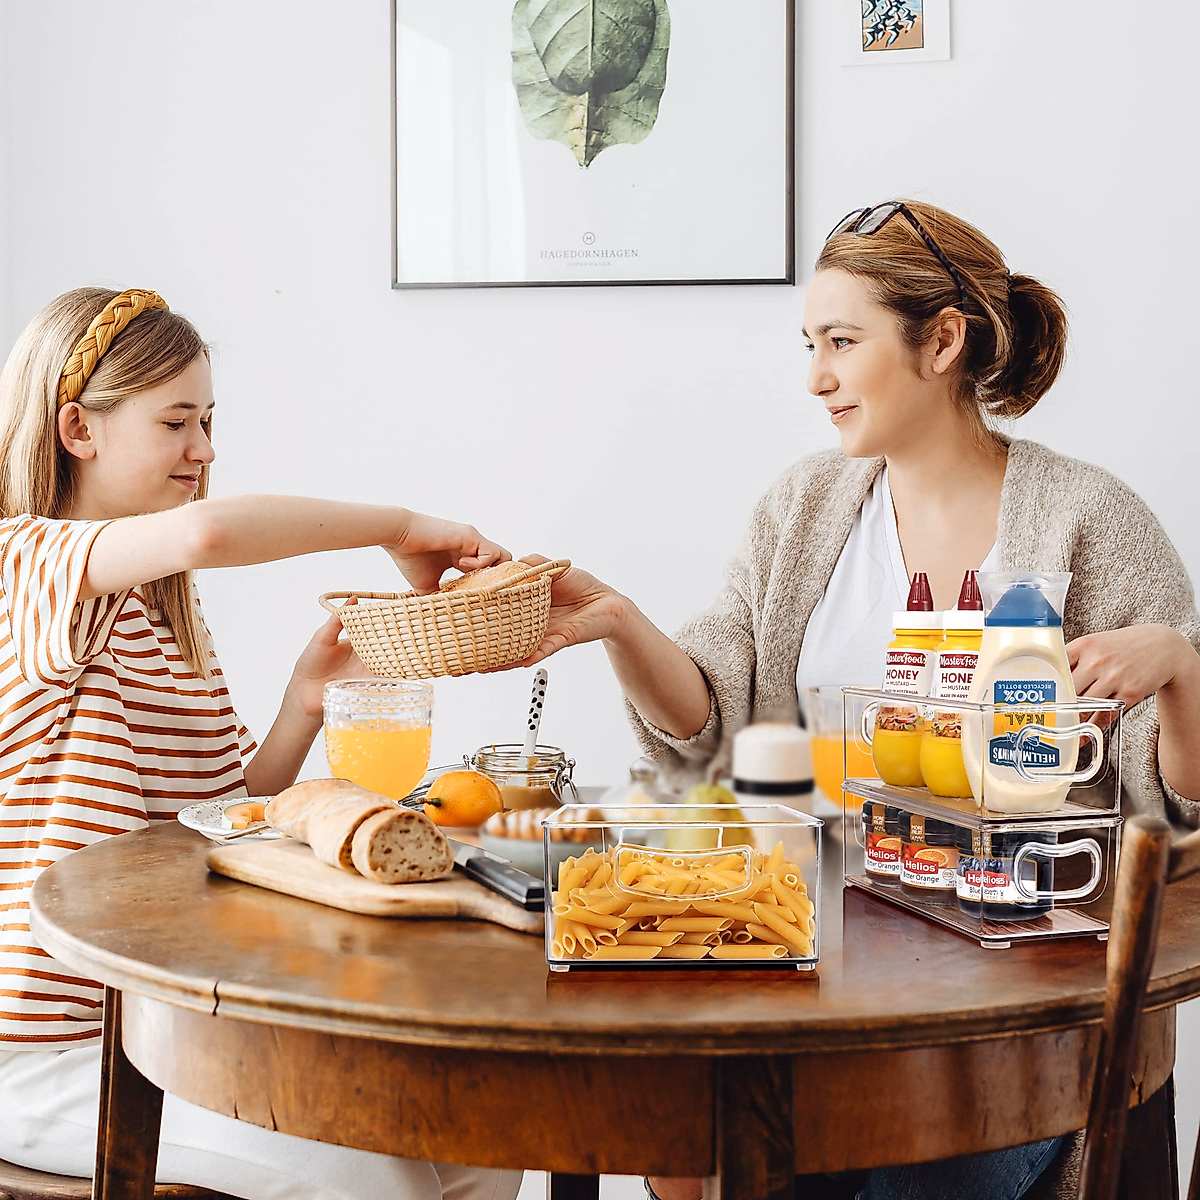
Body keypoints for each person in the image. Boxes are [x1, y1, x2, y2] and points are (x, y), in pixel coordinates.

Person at [519, 200, 1200, 1200]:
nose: (816, 376)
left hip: (1020, 1023)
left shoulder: (1086, 520)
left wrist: (1182, 666)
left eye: (842, 340)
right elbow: (713, 724)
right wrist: (620, 623)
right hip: (820, 988)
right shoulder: (806, 508)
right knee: (657, 1119)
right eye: (810, 343)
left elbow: (1172, 809)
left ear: (942, 341)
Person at [0, 287, 523, 1200]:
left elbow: (220, 812)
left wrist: (305, 703)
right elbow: (207, 531)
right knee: (378, 1182)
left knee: (485, 1141)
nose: (203, 450)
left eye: (208, 420)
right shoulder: (24, 564)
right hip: (41, 1048)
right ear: (78, 429)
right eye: (175, 422)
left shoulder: (157, 625)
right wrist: (402, 527)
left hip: (154, 1022)